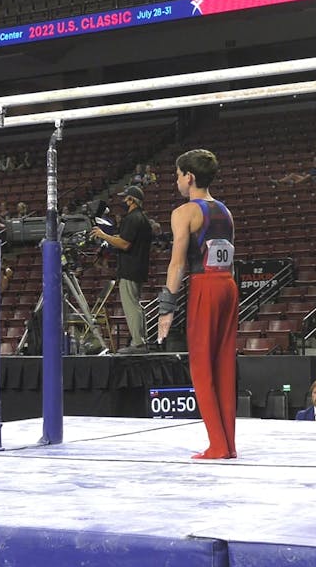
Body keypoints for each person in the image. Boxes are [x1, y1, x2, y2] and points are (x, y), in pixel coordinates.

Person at [158, 149, 239, 460]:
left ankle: (217, 445)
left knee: (202, 367)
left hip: (205, 285)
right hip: (228, 285)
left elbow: (178, 263)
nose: (176, 181)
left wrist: (167, 308)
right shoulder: (225, 211)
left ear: (189, 177)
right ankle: (228, 444)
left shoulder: (185, 213)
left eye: (178, 175)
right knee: (224, 366)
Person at [91, 185, 154, 354]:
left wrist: (104, 236)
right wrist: (112, 238)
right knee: (136, 304)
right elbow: (125, 238)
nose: (124, 201)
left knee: (131, 305)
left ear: (132, 200)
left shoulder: (132, 219)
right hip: (139, 267)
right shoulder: (143, 219)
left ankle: (138, 343)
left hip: (130, 268)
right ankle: (142, 340)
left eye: (126, 198)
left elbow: (125, 244)